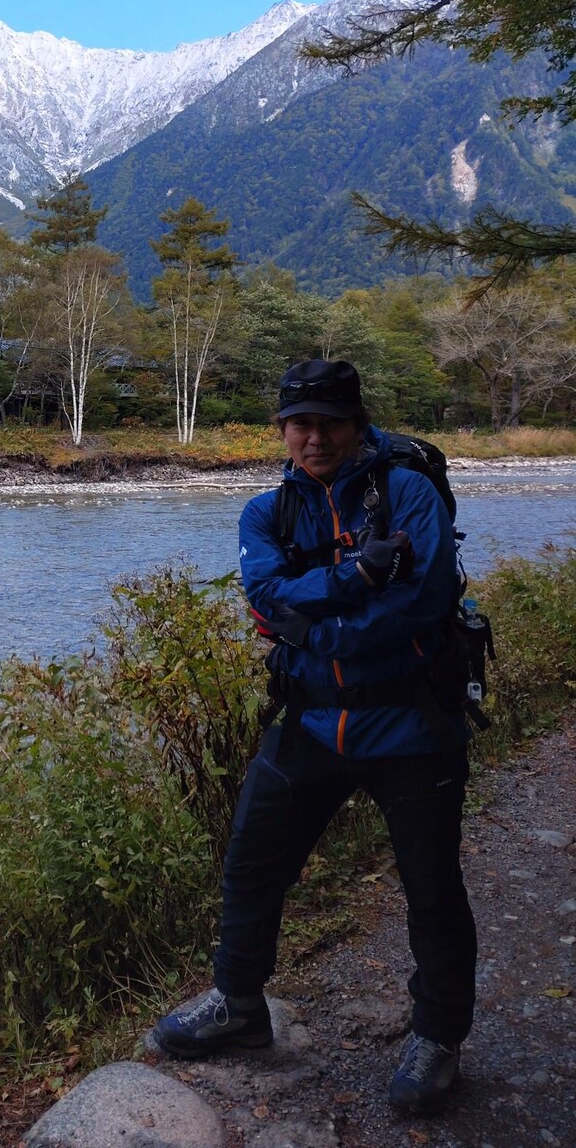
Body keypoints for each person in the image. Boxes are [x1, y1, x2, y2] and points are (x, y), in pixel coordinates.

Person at [151, 359, 477, 1117]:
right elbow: (264, 597)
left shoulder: (410, 493)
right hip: (307, 723)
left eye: (330, 420)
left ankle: (438, 1037)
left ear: (357, 423)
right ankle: (238, 1003)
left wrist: (318, 628)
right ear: (283, 431)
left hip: (410, 725)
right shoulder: (266, 513)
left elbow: (425, 601)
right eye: (300, 422)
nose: (315, 436)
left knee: (431, 889)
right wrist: (357, 579)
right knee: (251, 861)